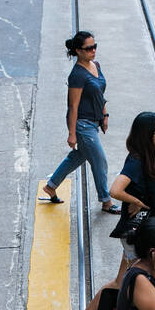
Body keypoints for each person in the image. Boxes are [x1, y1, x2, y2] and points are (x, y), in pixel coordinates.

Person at [66, 111, 155, 310]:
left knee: (123, 279)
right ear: (147, 135)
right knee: (144, 277)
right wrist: (136, 202)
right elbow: (115, 190)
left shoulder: (145, 156)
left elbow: (147, 187)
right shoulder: (136, 161)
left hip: (140, 231)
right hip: (137, 233)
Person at [41, 31, 117, 215]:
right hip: (83, 125)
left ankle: (51, 186)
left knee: (76, 157)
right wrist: (72, 133)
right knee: (100, 160)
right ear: (78, 51)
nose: (93, 50)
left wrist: (104, 115)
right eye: (88, 48)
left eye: (94, 46)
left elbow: (100, 94)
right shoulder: (77, 75)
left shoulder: (96, 65)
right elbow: (73, 106)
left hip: (94, 123)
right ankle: (106, 201)